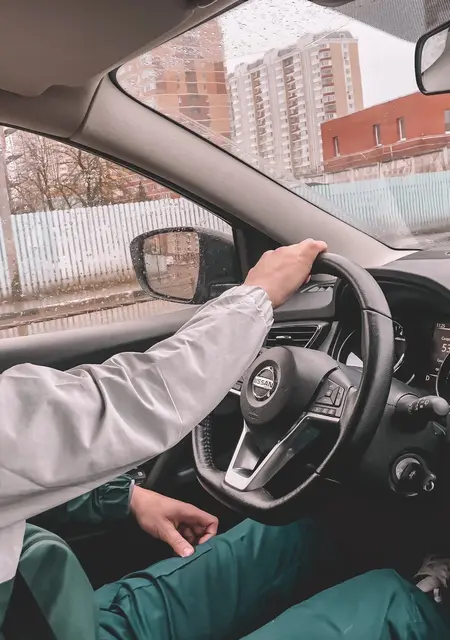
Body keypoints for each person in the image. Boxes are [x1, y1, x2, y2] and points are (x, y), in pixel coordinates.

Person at [1, 238, 449, 638]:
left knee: (298, 534)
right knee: (390, 605)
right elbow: (135, 400)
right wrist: (257, 295)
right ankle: (433, 605)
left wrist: (124, 497)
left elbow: (25, 445)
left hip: (58, 617)